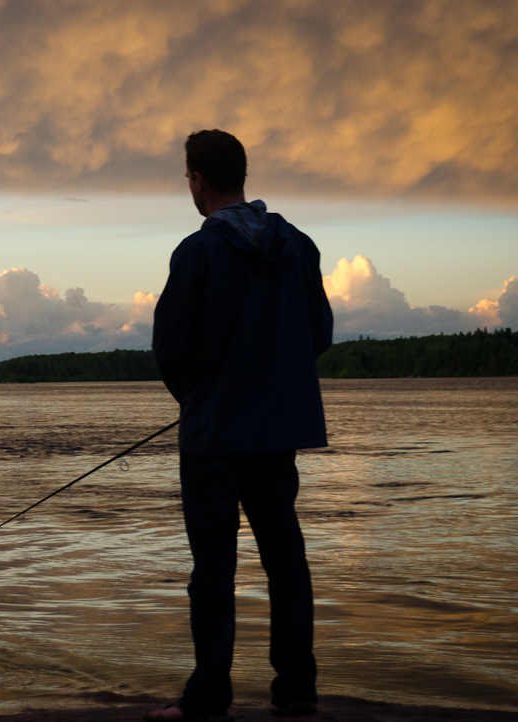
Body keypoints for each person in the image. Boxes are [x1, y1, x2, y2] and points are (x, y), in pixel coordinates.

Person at [147, 130, 333, 721]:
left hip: (214, 438)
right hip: (277, 431)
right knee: (286, 560)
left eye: (189, 178)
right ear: (242, 175)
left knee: (213, 571)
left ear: (197, 179)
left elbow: (170, 347)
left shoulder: (198, 251)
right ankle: (297, 691)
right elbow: (318, 333)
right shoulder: (298, 245)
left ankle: (208, 699)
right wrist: (271, 382)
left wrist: (201, 397)